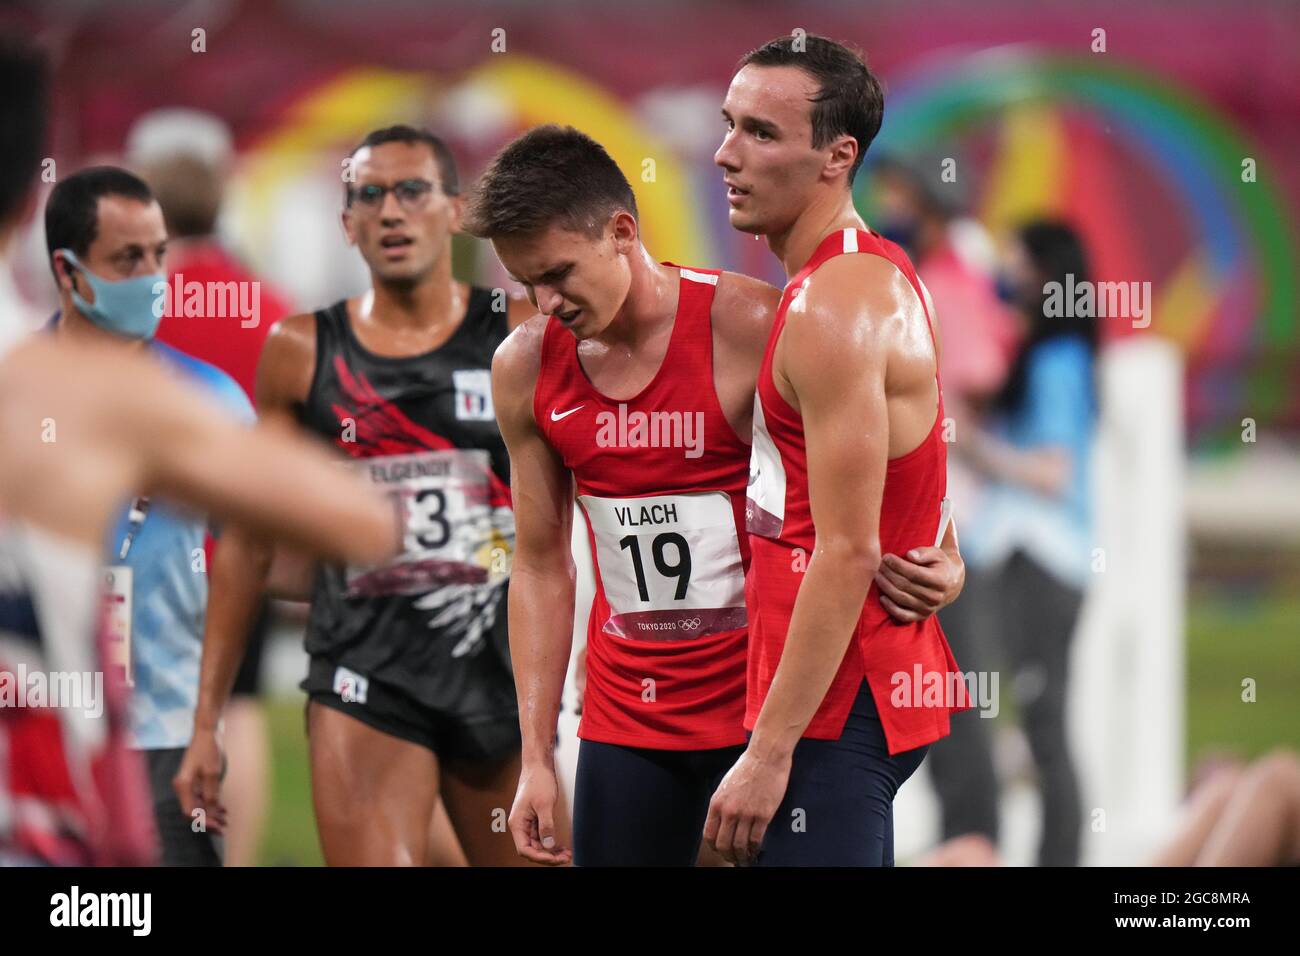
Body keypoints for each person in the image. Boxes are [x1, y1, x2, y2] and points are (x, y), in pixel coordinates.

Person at [470, 124, 965, 866]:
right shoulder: (526, 367)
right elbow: (540, 566)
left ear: (621, 232)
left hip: (763, 704)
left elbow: (885, 454)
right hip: (628, 718)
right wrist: (537, 757)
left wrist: (944, 548)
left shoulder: (754, 325)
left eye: (560, 273)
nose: (546, 302)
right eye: (526, 282)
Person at [0, 39, 398, 867]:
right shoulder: (249, 317)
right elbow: (351, 508)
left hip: (135, 614)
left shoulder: (80, 342)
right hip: (199, 581)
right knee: (233, 712)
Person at [175, 125, 550, 866]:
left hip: (504, 681)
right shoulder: (301, 350)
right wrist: (206, 719)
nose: (389, 212)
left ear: (455, 209)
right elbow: (250, 544)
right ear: (346, 224)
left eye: (412, 191)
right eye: (368, 196)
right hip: (364, 679)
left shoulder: (521, 336)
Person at [705, 34, 970, 866]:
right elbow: (909, 457)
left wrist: (770, 752)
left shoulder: (834, 304)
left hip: (839, 690)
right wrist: (945, 547)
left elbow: (849, 548)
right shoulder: (857, 274)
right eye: (728, 125)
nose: (725, 154)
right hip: (836, 676)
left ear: (837, 156)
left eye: (760, 133)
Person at [127, 107, 296, 867]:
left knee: (146, 717)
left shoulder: (129, 301)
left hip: (145, 548)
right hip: (241, 541)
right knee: (242, 705)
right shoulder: (270, 305)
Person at [948, 220, 1100, 866]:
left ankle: (1057, 859)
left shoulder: (1060, 360)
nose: (1009, 279)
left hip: (1044, 559)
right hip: (1028, 560)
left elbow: (1051, 471)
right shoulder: (1042, 354)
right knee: (1031, 722)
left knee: (1044, 725)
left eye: (1019, 266)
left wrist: (973, 448)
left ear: (1047, 275)